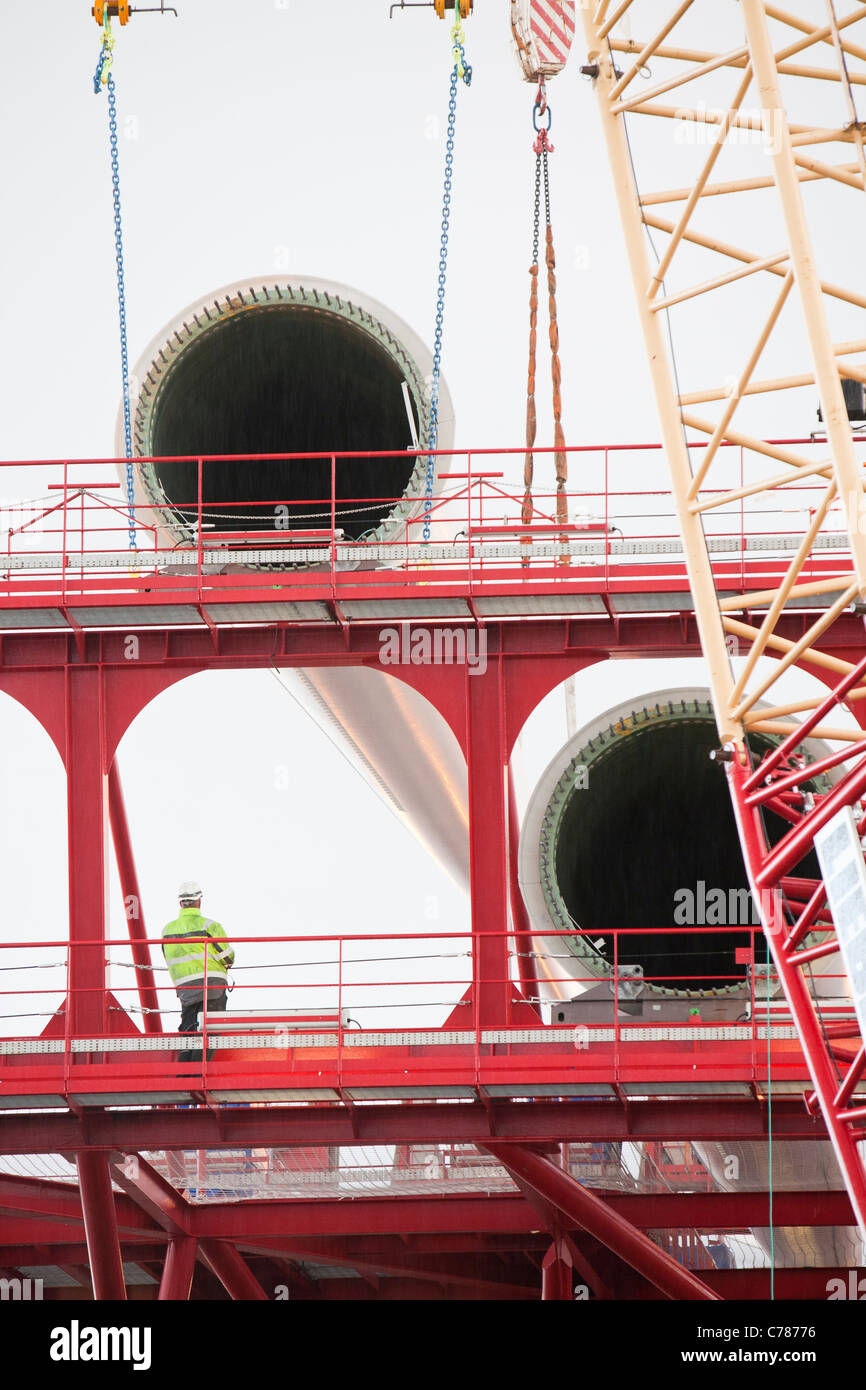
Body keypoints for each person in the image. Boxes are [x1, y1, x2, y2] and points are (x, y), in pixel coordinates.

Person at [162, 880, 235, 1064]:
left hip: (185, 988)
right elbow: (227, 957)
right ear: (199, 901)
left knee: (188, 1028)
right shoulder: (210, 926)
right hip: (211, 984)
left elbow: (168, 957)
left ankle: (183, 1073)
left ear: (180, 903)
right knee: (210, 1030)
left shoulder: (167, 930)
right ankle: (197, 1074)